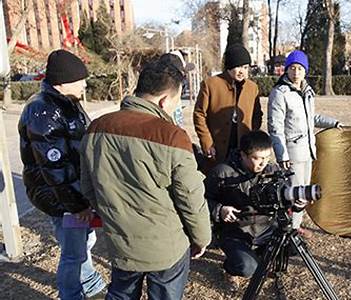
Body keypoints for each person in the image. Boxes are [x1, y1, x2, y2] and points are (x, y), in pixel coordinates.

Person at [80, 54, 212, 300]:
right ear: (164, 100)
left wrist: (115, 216)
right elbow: (191, 198)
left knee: (121, 293)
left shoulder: (96, 128)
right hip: (167, 248)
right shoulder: (172, 136)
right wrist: (202, 237)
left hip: (121, 243)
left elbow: (89, 187)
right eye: (176, 102)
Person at [18, 49, 106, 300]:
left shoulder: (67, 104)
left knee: (85, 243)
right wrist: (76, 205)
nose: (84, 84)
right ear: (62, 81)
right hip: (62, 197)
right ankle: (71, 294)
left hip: (75, 192)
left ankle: (88, 281)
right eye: (80, 80)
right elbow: (54, 168)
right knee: (73, 252)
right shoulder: (43, 111)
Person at [205, 130, 309, 291]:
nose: (263, 163)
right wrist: (220, 210)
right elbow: (201, 200)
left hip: (266, 227)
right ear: (243, 155)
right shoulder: (222, 172)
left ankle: (260, 256)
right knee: (248, 268)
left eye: (267, 157)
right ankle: (230, 269)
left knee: (295, 247)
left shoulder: (272, 170)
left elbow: (285, 202)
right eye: (257, 158)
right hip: (235, 231)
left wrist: (298, 204)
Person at [267, 50, 342, 238]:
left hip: (308, 151)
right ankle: (288, 232)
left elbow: (311, 118)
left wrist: (332, 123)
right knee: (294, 194)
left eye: (300, 68)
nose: (296, 72)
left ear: (305, 71)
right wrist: (281, 154)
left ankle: (294, 227)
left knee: (303, 193)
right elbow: (275, 126)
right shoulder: (280, 93)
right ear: (286, 70)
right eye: (292, 68)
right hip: (292, 153)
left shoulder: (307, 92)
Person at [193, 44, 263, 174]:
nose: (242, 71)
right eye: (238, 67)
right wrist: (207, 142)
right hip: (218, 147)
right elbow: (199, 115)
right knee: (217, 182)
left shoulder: (252, 87)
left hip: (243, 147)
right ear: (229, 67)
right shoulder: (211, 84)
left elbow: (257, 115)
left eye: (245, 67)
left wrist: (252, 139)